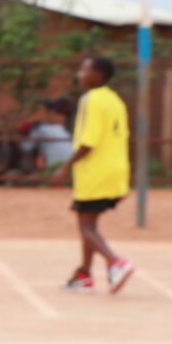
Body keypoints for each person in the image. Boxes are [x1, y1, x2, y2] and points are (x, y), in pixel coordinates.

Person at [49, 54, 134, 294]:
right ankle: (84, 275)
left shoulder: (91, 99)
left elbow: (89, 141)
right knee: (89, 223)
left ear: (99, 75)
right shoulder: (115, 100)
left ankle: (116, 262)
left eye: (85, 70)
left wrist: (65, 167)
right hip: (116, 169)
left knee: (86, 227)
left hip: (95, 170)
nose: (80, 74)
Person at [22, 97, 75, 177]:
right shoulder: (65, 131)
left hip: (56, 169)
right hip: (71, 168)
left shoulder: (41, 129)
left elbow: (26, 147)